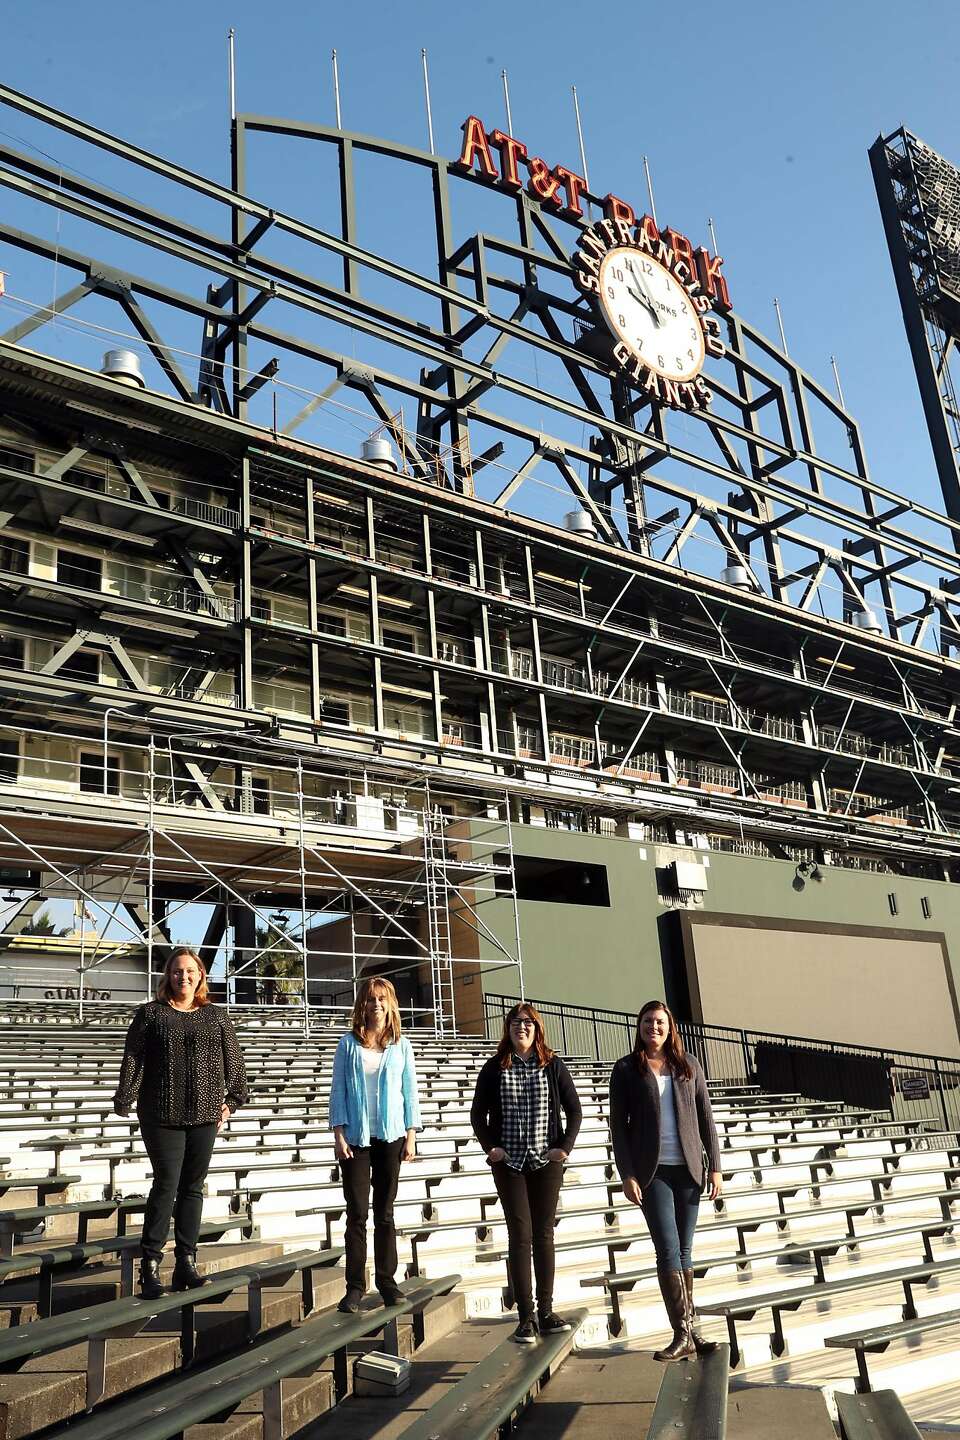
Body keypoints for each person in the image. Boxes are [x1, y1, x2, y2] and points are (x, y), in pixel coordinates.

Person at [113, 946, 249, 1299]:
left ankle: (186, 1263)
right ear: (167, 976)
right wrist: (125, 1096)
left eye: (190, 971)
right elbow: (134, 1058)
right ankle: (151, 1266)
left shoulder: (215, 1016)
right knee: (166, 1184)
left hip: (204, 1115)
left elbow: (233, 1061)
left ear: (200, 975)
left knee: (193, 1187)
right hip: (161, 1114)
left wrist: (232, 1101)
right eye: (177, 971)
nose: (183, 977)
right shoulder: (151, 1015)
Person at [609, 998, 722, 1361]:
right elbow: (618, 1128)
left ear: (670, 1026)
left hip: (689, 1169)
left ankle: (690, 1331)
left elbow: (706, 1117)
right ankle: (681, 1333)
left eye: (659, 1022)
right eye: (646, 1022)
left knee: (685, 1251)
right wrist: (627, 1174)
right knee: (668, 1250)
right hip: (652, 1171)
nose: (653, 1028)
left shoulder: (688, 1065)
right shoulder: (627, 1068)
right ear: (639, 1027)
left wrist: (715, 1166)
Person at [471, 1001, 582, 1344]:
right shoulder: (494, 1068)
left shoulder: (552, 1065)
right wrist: (491, 1148)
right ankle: (525, 1318)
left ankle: (546, 1311)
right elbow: (478, 1115)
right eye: (517, 1022)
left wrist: (563, 1148)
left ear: (537, 1029)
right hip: (510, 1165)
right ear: (508, 1028)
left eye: (529, 1023)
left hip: (545, 1163)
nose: (523, 1027)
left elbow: (574, 1110)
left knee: (543, 1235)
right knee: (520, 1236)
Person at [329, 975, 421, 1312]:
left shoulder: (402, 1045)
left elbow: (409, 1092)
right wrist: (338, 1134)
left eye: (382, 999)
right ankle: (354, 1287)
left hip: (391, 1136)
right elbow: (337, 1091)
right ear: (362, 1005)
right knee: (356, 1214)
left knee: (384, 1214)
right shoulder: (347, 1044)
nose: (376, 1004)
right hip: (355, 1138)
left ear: (391, 1003)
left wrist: (411, 1134)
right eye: (370, 999)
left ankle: (387, 1281)